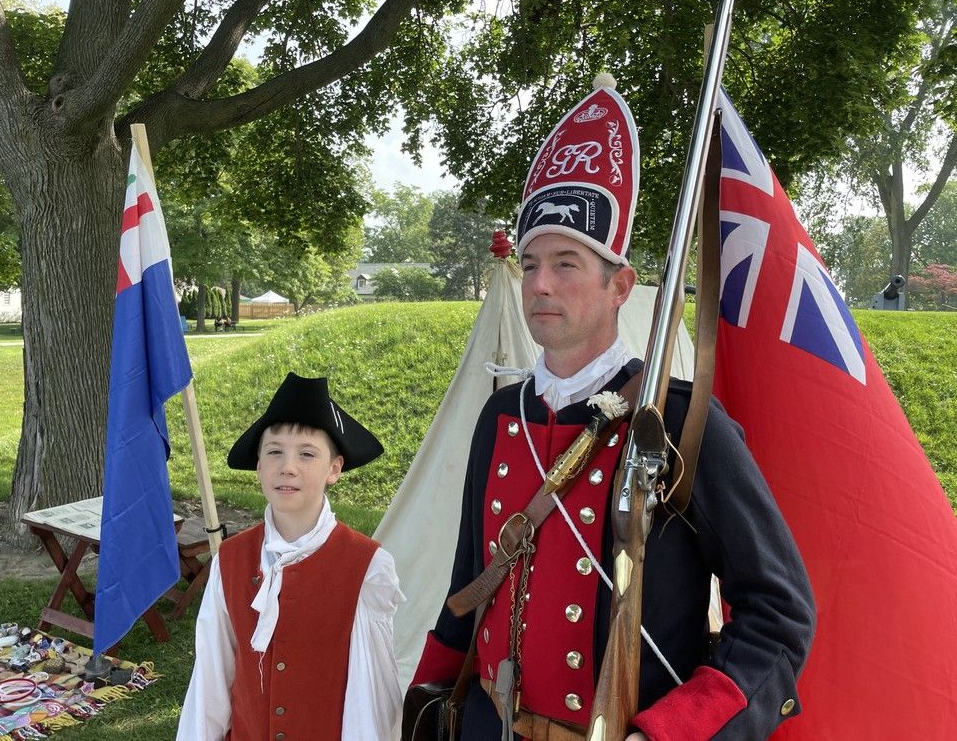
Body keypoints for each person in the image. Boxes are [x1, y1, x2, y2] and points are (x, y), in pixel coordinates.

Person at [410, 74, 816, 740]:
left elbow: (780, 611)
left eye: (567, 264)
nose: (540, 283)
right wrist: (423, 703)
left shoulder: (682, 421)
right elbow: (468, 589)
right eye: (532, 262)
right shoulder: (500, 415)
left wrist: (674, 732)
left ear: (620, 285)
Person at [177, 372, 404, 740]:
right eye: (275, 452)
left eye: (307, 454)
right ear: (259, 466)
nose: (288, 466)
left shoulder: (366, 566)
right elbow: (210, 682)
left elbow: (371, 701)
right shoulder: (230, 559)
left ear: (334, 468)